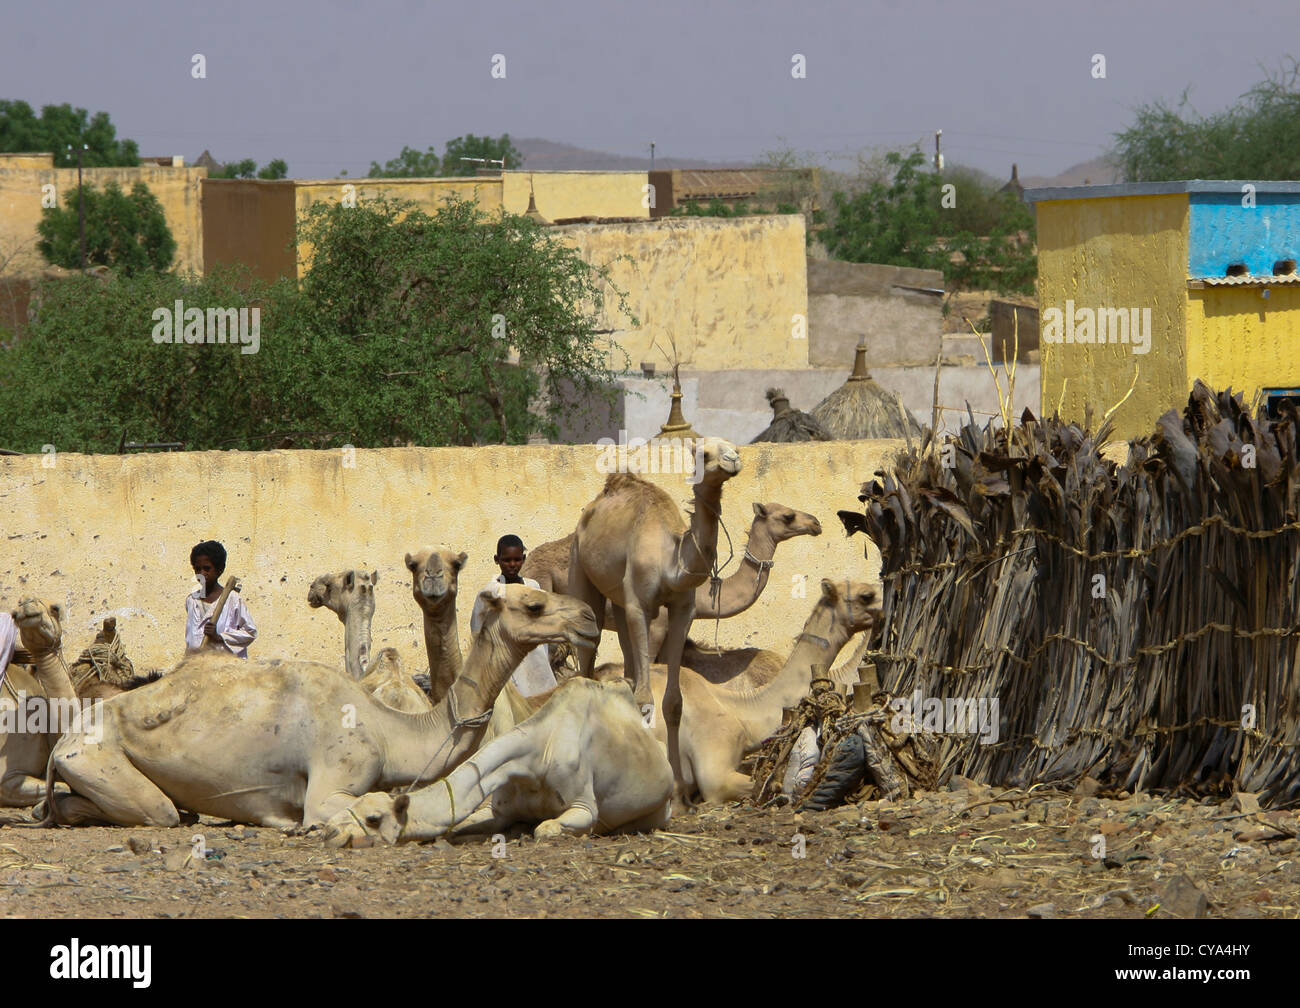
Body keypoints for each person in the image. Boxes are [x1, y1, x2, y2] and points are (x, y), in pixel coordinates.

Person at [470, 534, 557, 698]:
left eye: (517, 560)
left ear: (523, 559)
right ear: (497, 560)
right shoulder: (490, 592)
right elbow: (477, 629)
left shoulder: (533, 588)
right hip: (502, 665)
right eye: (506, 560)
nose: (512, 565)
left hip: (535, 663)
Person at [186, 540, 257, 658]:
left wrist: (219, 636)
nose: (201, 573)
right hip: (197, 668)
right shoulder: (192, 601)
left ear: (220, 569)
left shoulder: (233, 600)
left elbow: (250, 632)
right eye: (197, 569)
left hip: (224, 669)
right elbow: (191, 638)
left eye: (207, 568)